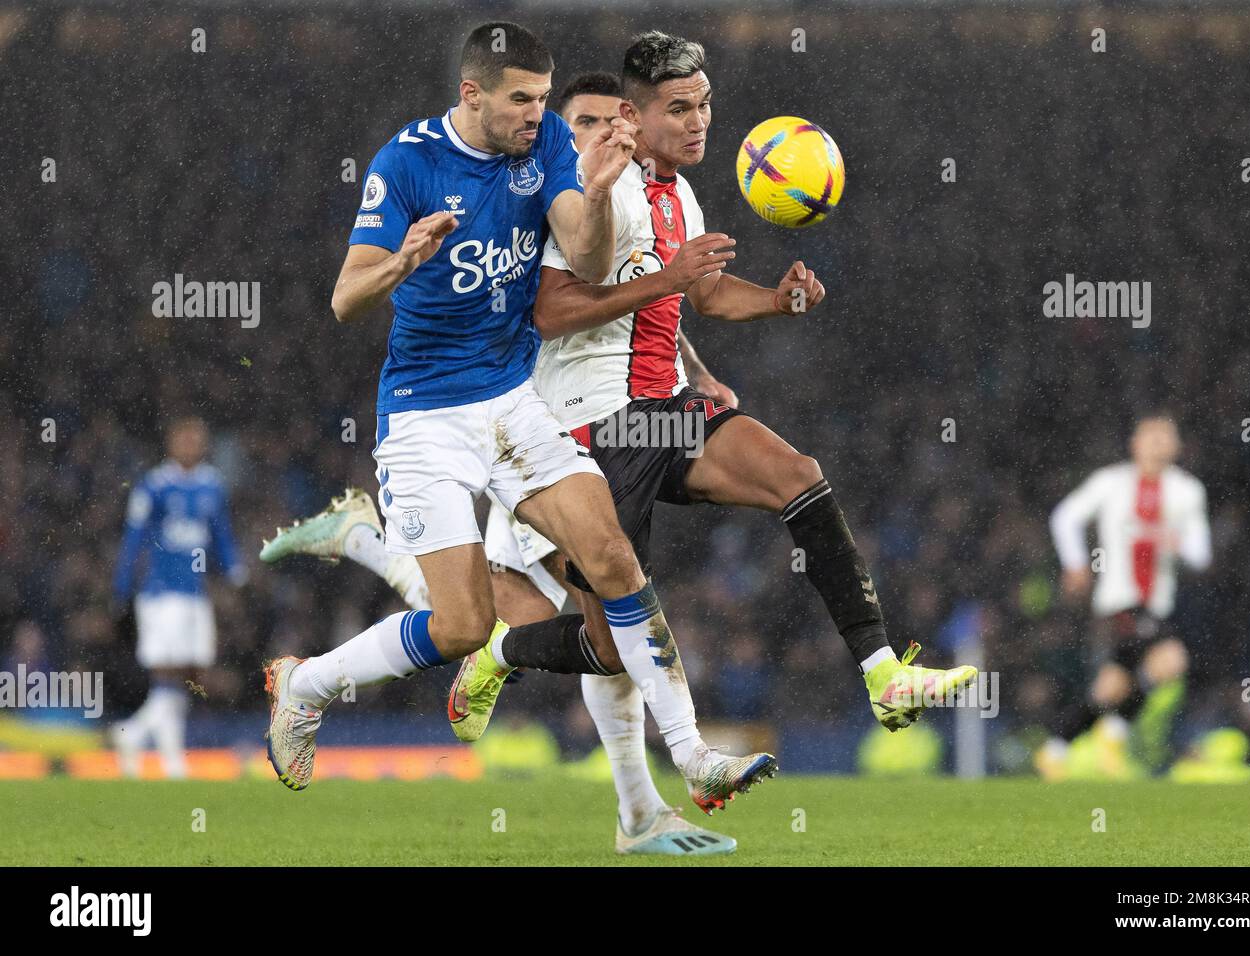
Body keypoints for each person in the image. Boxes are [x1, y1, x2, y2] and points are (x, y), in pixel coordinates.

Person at [263, 23, 772, 814]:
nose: (539, 115)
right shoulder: (408, 162)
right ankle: (310, 683)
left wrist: (598, 191)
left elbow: (591, 264)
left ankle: (694, 756)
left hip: (512, 401)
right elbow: (344, 296)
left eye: (545, 97)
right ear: (473, 95)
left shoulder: (550, 154)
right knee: (463, 625)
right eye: (522, 100)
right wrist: (405, 262)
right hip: (426, 415)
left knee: (613, 560)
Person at [453, 30, 978, 759]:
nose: (700, 121)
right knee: (609, 650)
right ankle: (499, 655)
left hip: (661, 415)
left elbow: (704, 292)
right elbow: (550, 310)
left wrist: (776, 300)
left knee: (798, 475)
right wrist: (666, 280)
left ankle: (882, 672)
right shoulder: (587, 188)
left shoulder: (679, 193)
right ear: (634, 118)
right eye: (680, 108)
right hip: (591, 434)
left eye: (705, 104)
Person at [1044, 413, 1211, 776]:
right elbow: (1064, 517)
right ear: (1134, 443)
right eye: (1150, 435)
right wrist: (1075, 563)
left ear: (1177, 446)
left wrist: (1176, 542)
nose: (1157, 442)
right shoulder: (1111, 483)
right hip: (1120, 599)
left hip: (1159, 604)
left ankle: (1055, 748)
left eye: (1165, 436)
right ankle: (1116, 732)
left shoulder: (1187, 491)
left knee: (1113, 686)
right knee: (1172, 659)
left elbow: (1202, 553)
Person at [112, 417, 246, 778]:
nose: (190, 445)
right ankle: (172, 761)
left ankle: (133, 735)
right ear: (171, 443)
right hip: (160, 594)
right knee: (167, 673)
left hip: (194, 593)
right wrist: (122, 585)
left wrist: (235, 569)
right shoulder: (154, 486)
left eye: (196, 440)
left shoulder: (212, 486)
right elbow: (134, 537)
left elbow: (221, 535)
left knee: (193, 672)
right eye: (183, 439)